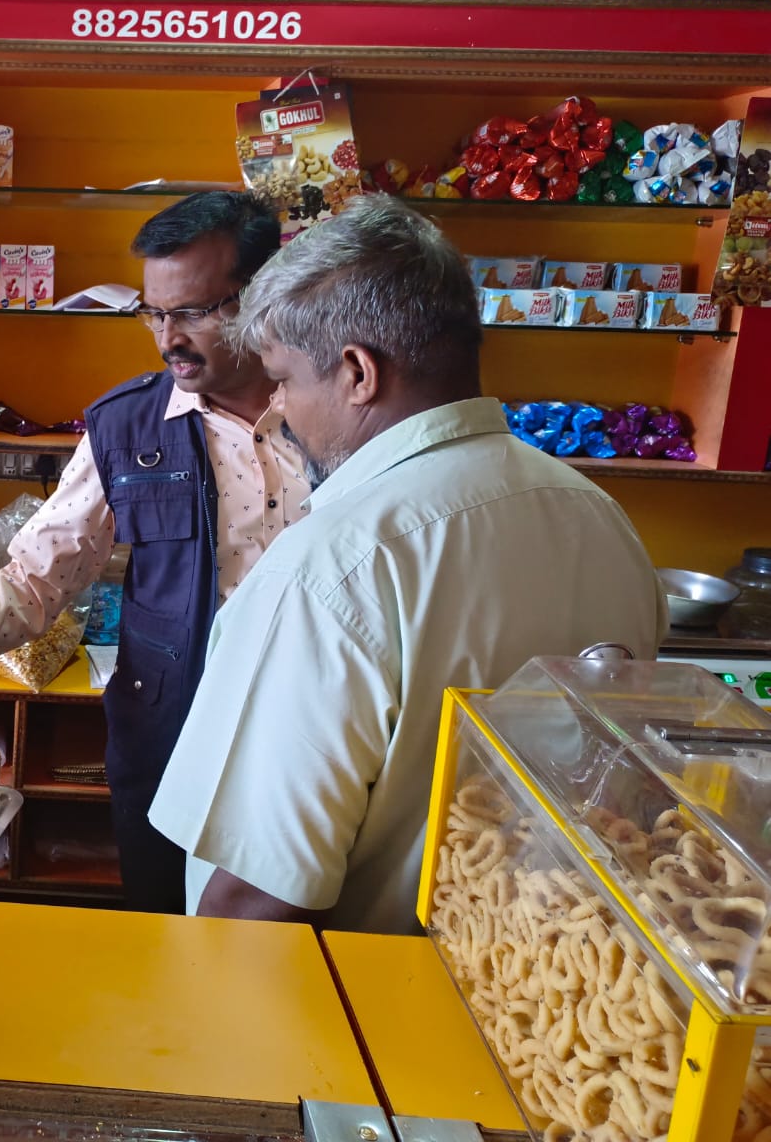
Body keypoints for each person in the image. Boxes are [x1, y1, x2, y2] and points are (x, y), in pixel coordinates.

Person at [148, 195, 668, 934]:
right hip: (547, 987)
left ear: (358, 373)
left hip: (358, 1010)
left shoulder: (333, 568)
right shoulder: (594, 515)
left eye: (285, 379)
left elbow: (257, 894)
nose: (280, 409)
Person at [0, 191, 310, 913]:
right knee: (167, 931)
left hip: (312, 735)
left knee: (299, 943)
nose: (169, 338)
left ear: (266, 294)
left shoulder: (341, 410)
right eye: (153, 312)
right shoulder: (125, 427)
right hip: (172, 740)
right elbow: (35, 582)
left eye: (197, 311)